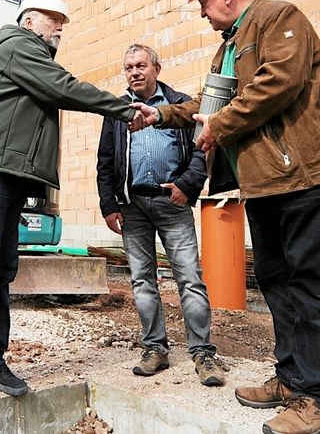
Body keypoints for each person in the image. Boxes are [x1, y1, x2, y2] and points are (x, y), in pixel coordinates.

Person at [132, 0, 320, 434]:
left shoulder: (279, 18)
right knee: (277, 283)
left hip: (308, 175)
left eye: (202, 2)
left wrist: (220, 127)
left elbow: (279, 82)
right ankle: (293, 380)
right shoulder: (229, 46)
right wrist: (163, 113)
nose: (201, 12)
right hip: (266, 183)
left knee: (312, 286)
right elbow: (210, 101)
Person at [0, 0, 146, 411]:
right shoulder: (18, 47)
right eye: (53, 18)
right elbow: (64, 87)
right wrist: (121, 107)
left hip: (6, 177)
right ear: (30, 20)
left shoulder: (26, 54)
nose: (60, 26)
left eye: (63, 20)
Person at [96, 43, 224, 387]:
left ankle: (203, 353)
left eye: (140, 65)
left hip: (173, 204)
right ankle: (155, 349)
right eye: (128, 68)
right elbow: (105, 160)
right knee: (142, 282)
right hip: (132, 206)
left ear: (157, 69)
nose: (134, 72)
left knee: (190, 279)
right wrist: (108, 204)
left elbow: (201, 150)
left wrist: (187, 185)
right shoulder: (116, 110)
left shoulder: (180, 105)